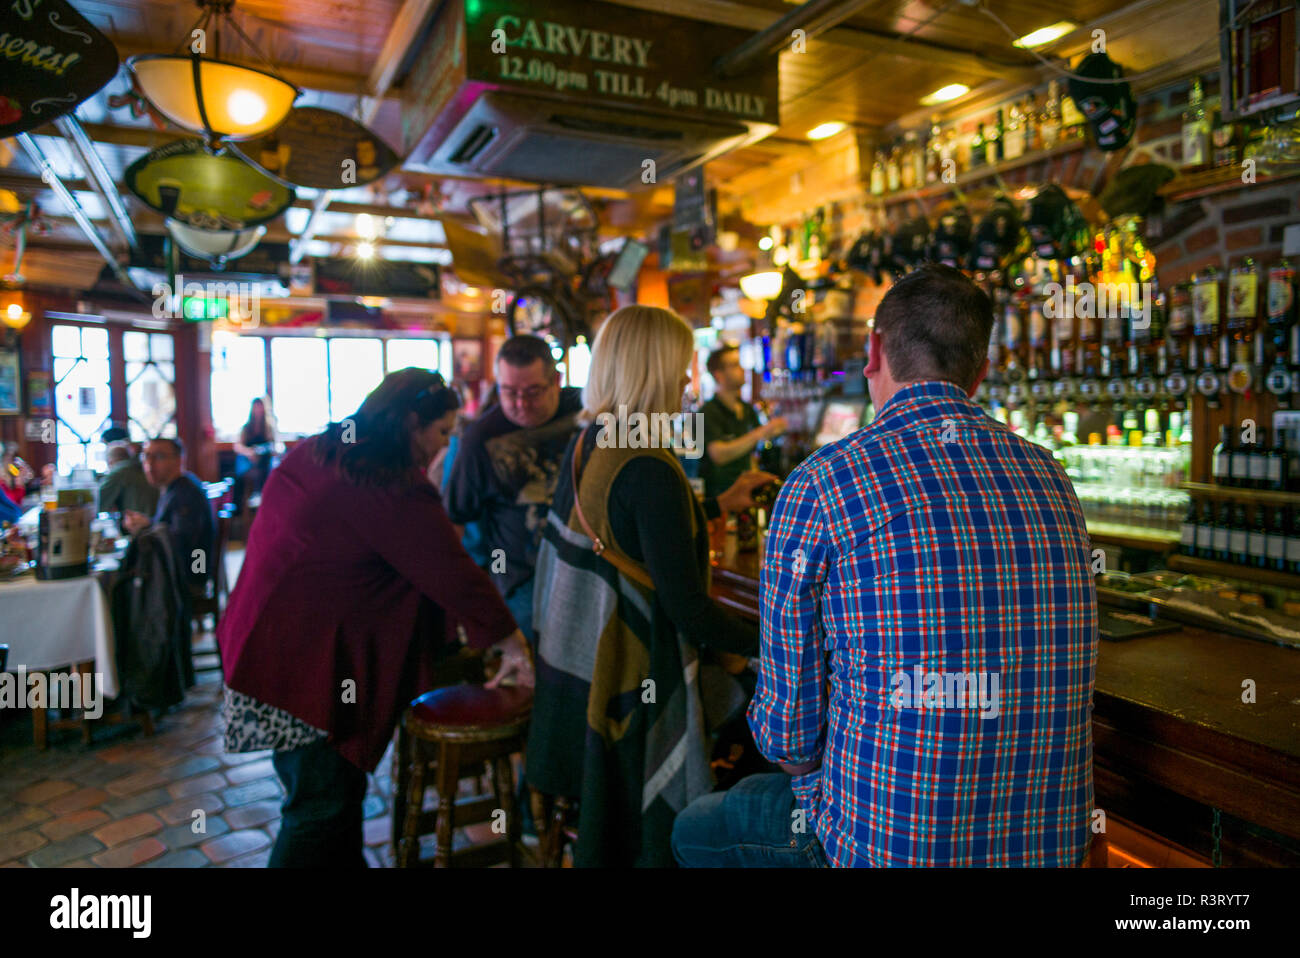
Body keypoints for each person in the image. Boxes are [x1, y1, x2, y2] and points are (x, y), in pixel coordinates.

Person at [672, 264, 1098, 867]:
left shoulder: (822, 483)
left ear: (874, 351)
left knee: (693, 827)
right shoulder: (1054, 479)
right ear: (980, 371)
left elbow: (789, 741)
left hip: (884, 847)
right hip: (1046, 850)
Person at [217, 369, 533, 868]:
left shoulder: (327, 447)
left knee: (333, 798)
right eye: (442, 433)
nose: (444, 447)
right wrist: (511, 641)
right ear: (411, 423)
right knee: (319, 806)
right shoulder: (388, 481)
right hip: (300, 667)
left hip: (263, 646)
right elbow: (449, 568)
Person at [528, 305, 776, 867]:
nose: (688, 382)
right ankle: (703, 842)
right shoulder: (650, 465)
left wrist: (717, 502)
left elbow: (629, 532)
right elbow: (689, 611)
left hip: (581, 668)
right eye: (680, 367)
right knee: (774, 709)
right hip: (638, 676)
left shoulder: (595, 438)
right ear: (653, 370)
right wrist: (778, 641)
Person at [444, 336, 583, 642]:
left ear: (556, 380)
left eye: (533, 392)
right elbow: (454, 520)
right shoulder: (480, 438)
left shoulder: (586, 412)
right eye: (509, 392)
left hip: (589, 571)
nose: (520, 404)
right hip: (523, 582)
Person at [122, 438, 216, 603]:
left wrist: (147, 526)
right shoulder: (175, 487)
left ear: (179, 460)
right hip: (183, 570)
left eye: (158, 457)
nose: (149, 464)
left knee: (125, 589)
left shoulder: (185, 493)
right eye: (146, 456)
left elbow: (183, 541)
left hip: (191, 575)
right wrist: (147, 524)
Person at [699, 345, 786, 498]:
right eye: (734, 365)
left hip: (745, 495)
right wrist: (761, 433)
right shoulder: (708, 412)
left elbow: (753, 452)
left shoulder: (747, 409)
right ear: (718, 375)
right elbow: (718, 454)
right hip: (720, 498)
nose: (742, 369)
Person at [232, 397, 278, 514]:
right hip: (248, 464)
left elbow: (276, 446)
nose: (258, 409)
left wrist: (262, 451)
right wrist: (250, 453)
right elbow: (237, 446)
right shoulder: (246, 428)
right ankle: (254, 496)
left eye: (260, 406)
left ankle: (260, 495)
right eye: (256, 406)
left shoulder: (268, 428)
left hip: (263, 463)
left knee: (265, 462)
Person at [98, 442, 159, 517]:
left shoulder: (119, 471)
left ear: (110, 462)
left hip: (136, 524)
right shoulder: (143, 469)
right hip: (155, 522)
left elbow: (98, 504)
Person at [1, 441, 33, 506]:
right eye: (8, 458)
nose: (11, 462)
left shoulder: (10, 471)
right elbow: (10, 503)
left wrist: (23, 479)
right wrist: (19, 484)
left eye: (11, 458)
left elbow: (29, 477)